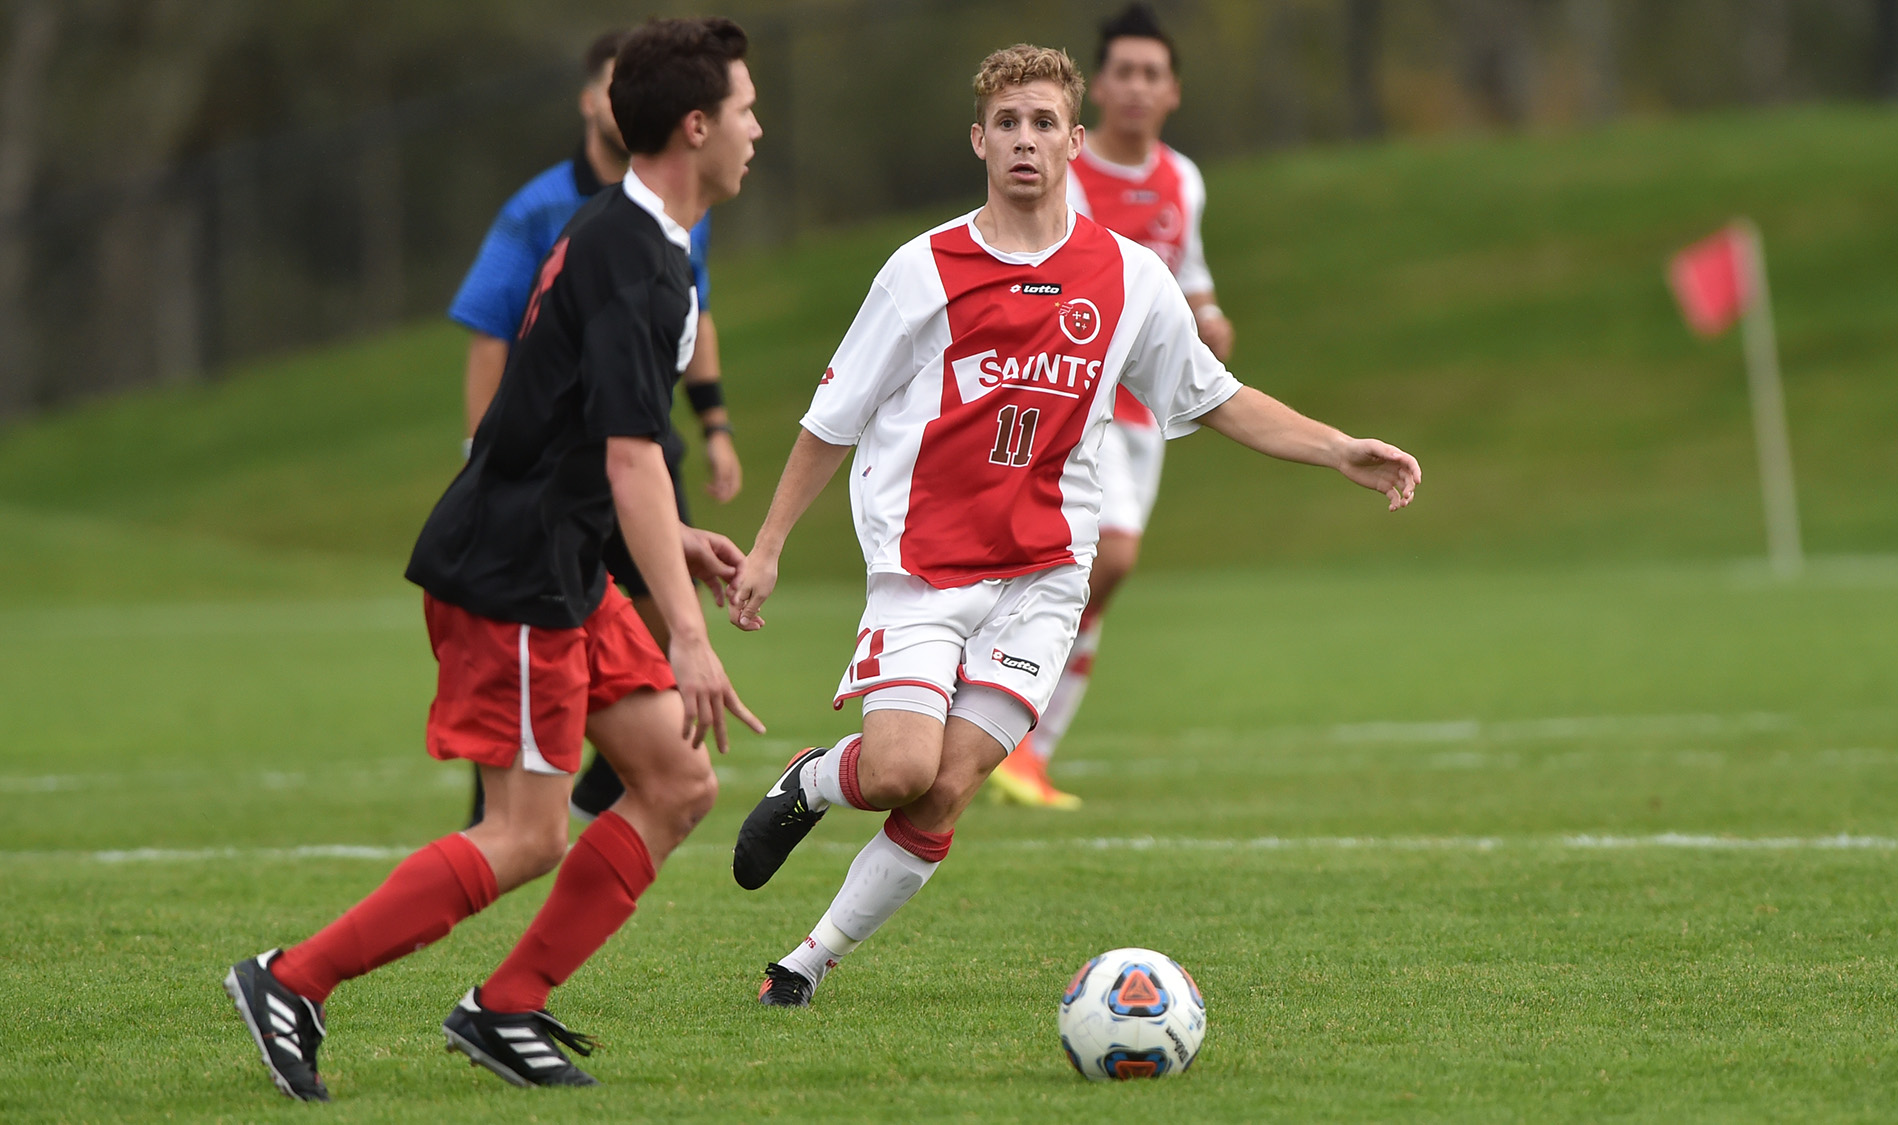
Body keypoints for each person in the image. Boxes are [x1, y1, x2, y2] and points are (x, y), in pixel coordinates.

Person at [724, 44, 1419, 1009]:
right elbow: (830, 420)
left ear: (1074, 142)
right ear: (978, 140)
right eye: (1007, 123)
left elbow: (1216, 397)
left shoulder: (1128, 277)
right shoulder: (923, 269)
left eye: (1044, 122)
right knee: (895, 769)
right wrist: (767, 546)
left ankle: (807, 962)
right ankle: (812, 781)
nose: (1025, 140)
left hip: (1045, 579)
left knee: (944, 789)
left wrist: (1340, 448)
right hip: (925, 568)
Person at [224, 19, 765, 1099]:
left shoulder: (648, 242)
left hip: (563, 556)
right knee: (523, 834)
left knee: (674, 780)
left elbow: (591, 442)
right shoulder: (633, 259)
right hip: (515, 574)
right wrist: (690, 636)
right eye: (748, 110)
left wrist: (669, 536)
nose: (760, 130)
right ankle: (293, 980)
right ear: (696, 127)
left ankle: (507, 1006)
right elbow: (623, 457)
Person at [449, 27, 744, 828]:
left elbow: (697, 314)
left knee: (653, 647)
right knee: (600, 636)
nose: (752, 130)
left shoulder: (687, 203)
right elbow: (488, 331)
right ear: (596, 101)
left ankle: (591, 800)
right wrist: (485, 460)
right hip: (572, 466)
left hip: (641, 449)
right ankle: (507, 815)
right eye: (745, 111)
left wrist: (715, 425)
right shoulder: (550, 210)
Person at [988, 2, 1227, 810]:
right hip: (1073, 403)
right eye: (1121, 71)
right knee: (1109, 558)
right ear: (1099, 91)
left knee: (1087, 579)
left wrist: (1210, 318)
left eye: (1150, 74)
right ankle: (1009, 735)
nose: (1135, 86)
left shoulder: (1181, 180)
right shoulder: (1068, 173)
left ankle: (1025, 749)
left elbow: (1186, 276)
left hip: (1147, 414)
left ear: (1173, 92)